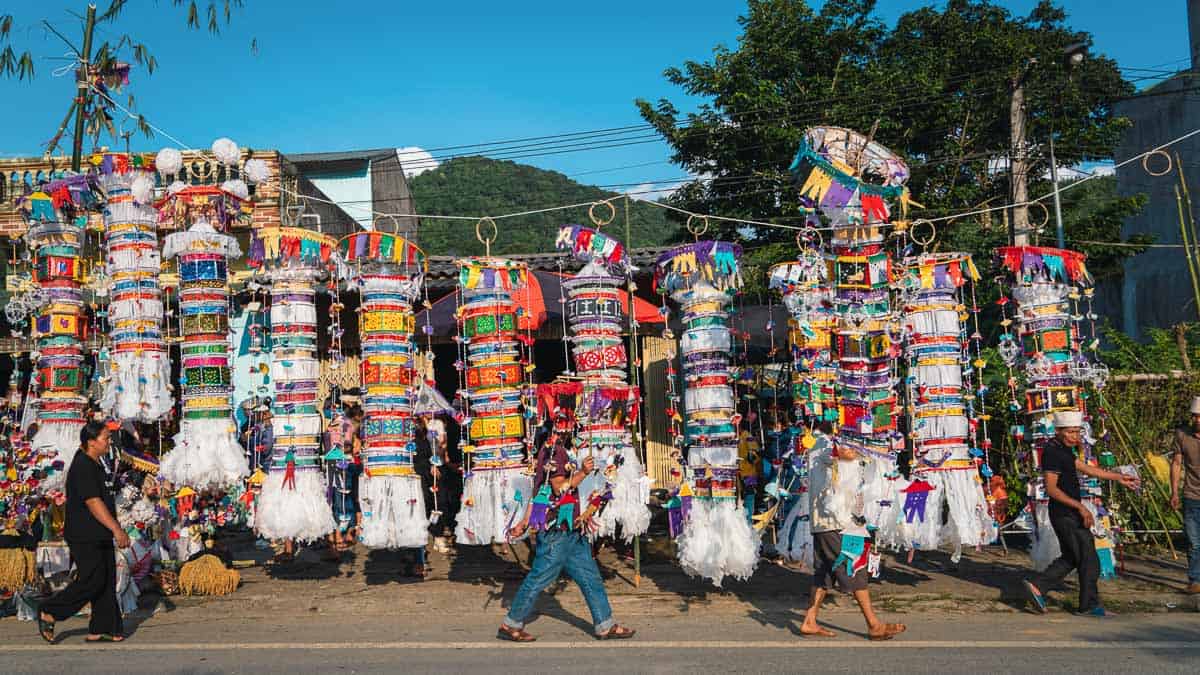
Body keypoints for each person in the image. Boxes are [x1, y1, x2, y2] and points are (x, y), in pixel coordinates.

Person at [497, 431, 635, 642]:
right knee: (539, 578)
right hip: (557, 533)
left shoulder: (552, 450)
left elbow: (539, 494)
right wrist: (584, 472)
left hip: (571, 529)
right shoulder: (555, 452)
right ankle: (511, 623)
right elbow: (559, 487)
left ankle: (604, 624)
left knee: (590, 577)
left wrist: (524, 522)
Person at [1023, 410, 1139, 616]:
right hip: (1065, 513)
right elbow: (1051, 489)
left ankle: (1038, 586)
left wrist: (1118, 477)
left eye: (1077, 432)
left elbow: (1087, 469)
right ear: (1058, 431)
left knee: (1072, 557)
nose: (1074, 436)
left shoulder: (1065, 450)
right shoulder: (1053, 452)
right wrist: (1080, 507)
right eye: (1070, 432)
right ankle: (1088, 605)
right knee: (1089, 559)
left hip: (1070, 511)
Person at [799, 422, 906, 641]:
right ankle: (874, 625)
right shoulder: (823, 444)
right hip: (835, 523)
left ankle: (809, 621)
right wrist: (874, 448)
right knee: (854, 567)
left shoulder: (819, 445)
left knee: (824, 575)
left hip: (827, 523)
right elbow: (845, 453)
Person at [37, 420, 131, 644]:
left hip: (100, 532)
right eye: (106, 438)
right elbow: (93, 502)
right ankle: (50, 610)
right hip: (85, 533)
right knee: (92, 580)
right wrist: (117, 529)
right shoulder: (83, 465)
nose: (109, 442)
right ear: (91, 442)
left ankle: (103, 628)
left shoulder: (97, 463)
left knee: (106, 580)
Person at [1170, 396, 1200, 594]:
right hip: (1192, 495)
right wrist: (1174, 492)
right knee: (1194, 541)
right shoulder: (1183, 435)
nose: (1198, 420)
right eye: (1195, 416)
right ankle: (1195, 580)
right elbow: (1176, 464)